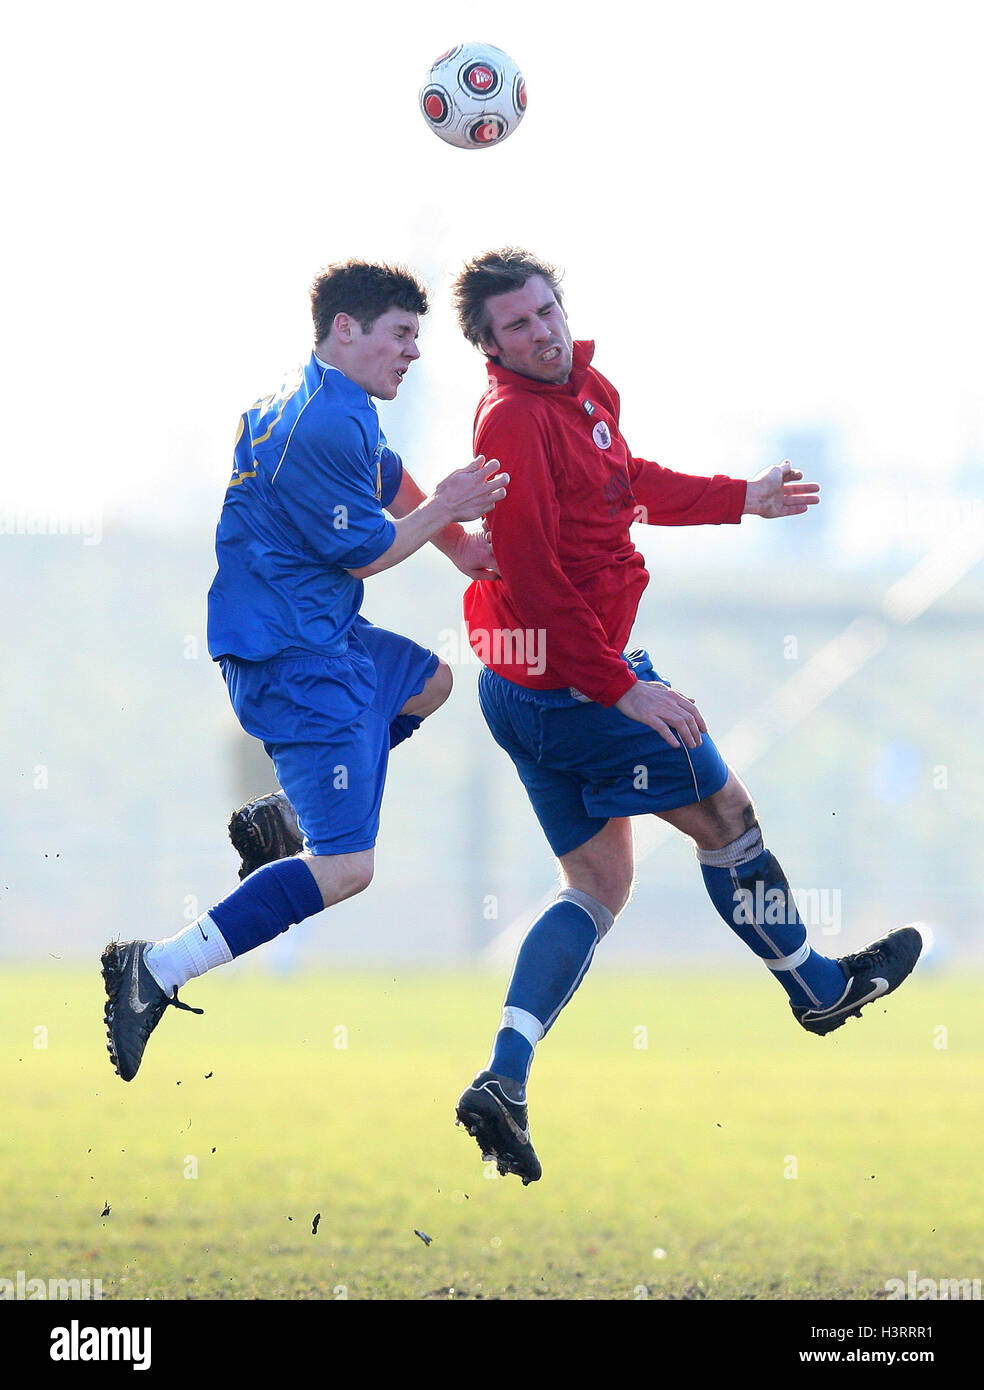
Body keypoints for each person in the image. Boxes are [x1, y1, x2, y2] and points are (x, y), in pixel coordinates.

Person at [448, 247, 922, 1183]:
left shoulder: (585, 391)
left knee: (595, 886)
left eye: (547, 310)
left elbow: (629, 487)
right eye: (519, 324)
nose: (542, 330)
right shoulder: (511, 422)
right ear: (489, 346)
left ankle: (505, 1076)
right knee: (728, 819)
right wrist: (622, 687)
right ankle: (820, 990)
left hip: (525, 682)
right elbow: (537, 576)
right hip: (574, 684)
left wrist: (739, 499)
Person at [101, 259, 508, 1082]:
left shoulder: (315, 398)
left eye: (416, 338)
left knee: (433, 680)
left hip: (318, 638)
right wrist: (449, 510)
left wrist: (458, 544)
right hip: (294, 660)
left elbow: (384, 474)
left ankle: (284, 816)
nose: (413, 354)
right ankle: (157, 969)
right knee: (348, 867)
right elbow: (366, 553)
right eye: (400, 335)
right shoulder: (320, 425)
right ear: (346, 329)